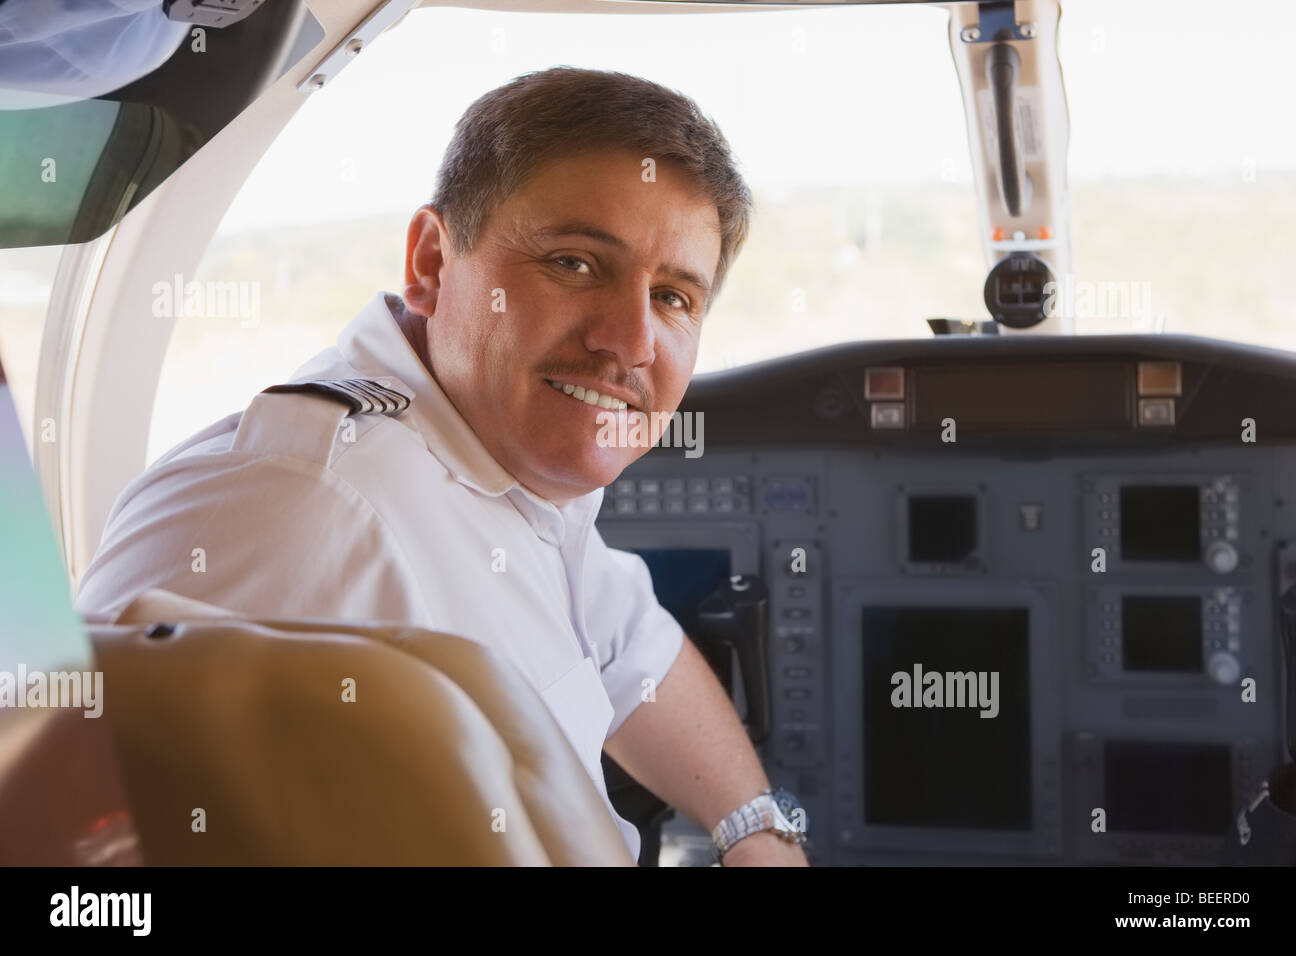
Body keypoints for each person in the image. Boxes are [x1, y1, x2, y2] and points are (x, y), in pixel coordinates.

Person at [75, 66, 808, 866]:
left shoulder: (507, 457)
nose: (630, 342)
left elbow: (628, 641)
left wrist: (756, 832)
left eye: (672, 297)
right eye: (574, 263)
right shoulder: (295, 506)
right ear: (430, 261)